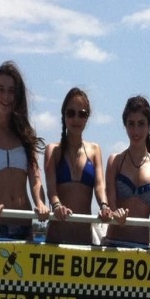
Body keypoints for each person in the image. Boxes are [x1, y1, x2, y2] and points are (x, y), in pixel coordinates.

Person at [0, 61, 50, 236]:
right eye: (0, 89)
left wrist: (40, 203)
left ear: (17, 95)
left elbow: (35, 180)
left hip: (24, 225)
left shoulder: (26, 133)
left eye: (11, 91)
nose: (6, 96)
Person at [44, 88, 113, 245]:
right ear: (64, 116)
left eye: (81, 114)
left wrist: (104, 206)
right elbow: (51, 190)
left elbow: (99, 186)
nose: (76, 118)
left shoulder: (95, 150)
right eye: (71, 113)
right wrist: (57, 206)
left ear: (87, 118)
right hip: (56, 241)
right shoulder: (53, 150)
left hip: (84, 242)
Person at [104, 95, 150, 246]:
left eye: (141, 124)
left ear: (149, 126)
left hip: (142, 249)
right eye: (131, 124)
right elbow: (110, 204)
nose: (136, 130)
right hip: (113, 245)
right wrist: (115, 212)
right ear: (125, 126)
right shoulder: (115, 161)